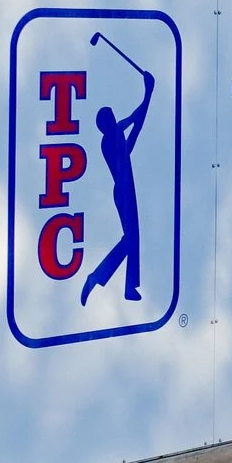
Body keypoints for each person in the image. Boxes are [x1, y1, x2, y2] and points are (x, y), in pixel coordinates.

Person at [82, 43, 155, 305]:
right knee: (131, 239)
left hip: (125, 189)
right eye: (111, 117)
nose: (115, 118)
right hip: (123, 190)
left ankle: (124, 285)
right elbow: (135, 122)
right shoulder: (110, 139)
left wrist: (148, 95)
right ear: (106, 124)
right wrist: (148, 93)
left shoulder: (115, 137)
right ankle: (99, 276)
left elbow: (135, 124)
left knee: (132, 239)